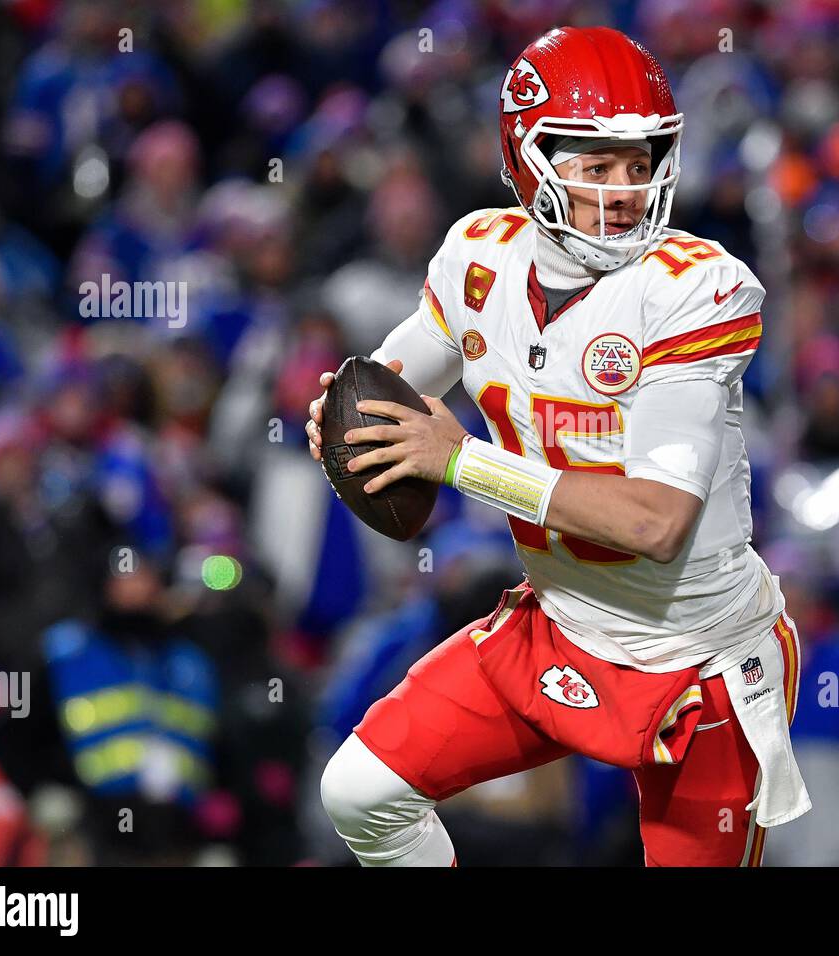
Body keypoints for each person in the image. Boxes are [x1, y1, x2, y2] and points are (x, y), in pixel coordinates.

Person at [308, 26, 808, 867]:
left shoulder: (694, 289)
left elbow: (656, 523)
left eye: (640, 162)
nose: (624, 189)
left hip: (701, 658)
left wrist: (461, 460)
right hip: (561, 623)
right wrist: (343, 414)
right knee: (360, 792)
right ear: (525, 155)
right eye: (596, 164)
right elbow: (388, 386)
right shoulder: (479, 258)